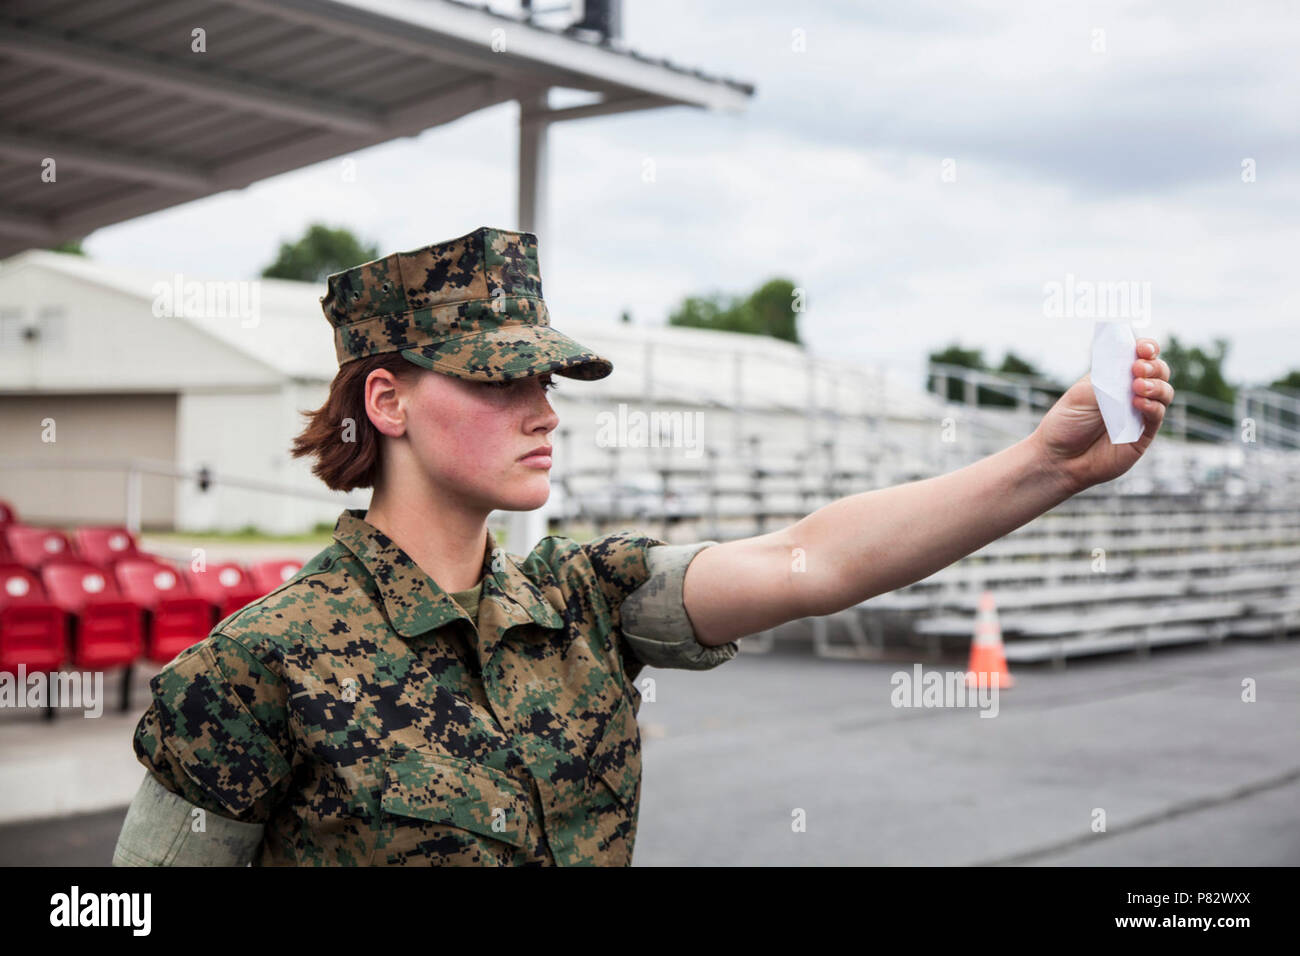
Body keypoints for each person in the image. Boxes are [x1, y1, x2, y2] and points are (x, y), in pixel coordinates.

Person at [113, 226, 1174, 867]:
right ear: (385, 399)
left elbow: (816, 561)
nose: (541, 409)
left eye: (545, 380)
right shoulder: (258, 666)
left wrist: (1046, 462)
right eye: (497, 378)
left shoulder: (582, 596)